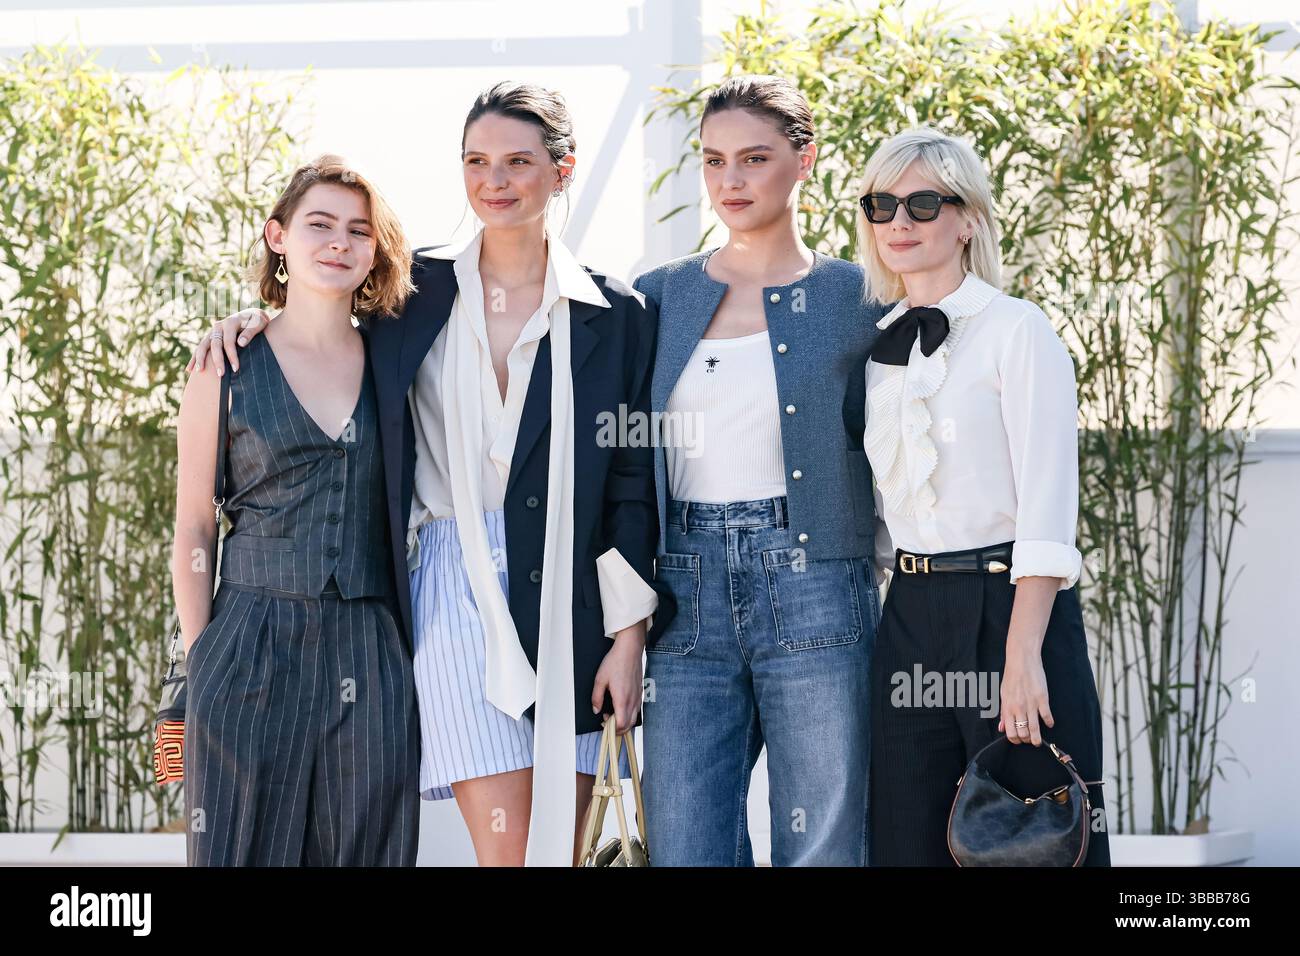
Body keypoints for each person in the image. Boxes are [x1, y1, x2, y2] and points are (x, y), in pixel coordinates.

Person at [190, 83, 658, 867]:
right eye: (476, 161)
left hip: (570, 594)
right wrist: (248, 321)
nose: (494, 181)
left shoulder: (617, 313)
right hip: (453, 586)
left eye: (517, 162)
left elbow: (631, 484)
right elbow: (315, 318)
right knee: (505, 854)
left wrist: (629, 636)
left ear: (563, 169)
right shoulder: (416, 296)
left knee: (566, 854)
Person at [632, 75, 886, 866]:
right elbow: (619, 467)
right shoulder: (657, 296)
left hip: (816, 580)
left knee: (824, 843)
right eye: (713, 161)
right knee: (683, 842)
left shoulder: (858, 293)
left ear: (804, 161)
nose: (730, 182)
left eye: (753, 158)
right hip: (683, 591)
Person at [857, 127, 1110, 865]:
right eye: (882, 205)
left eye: (924, 203)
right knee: (907, 841)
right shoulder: (876, 348)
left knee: (1032, 843)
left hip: (1011, 609)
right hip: (908, 616)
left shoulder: (1017, 331)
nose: (899, 222)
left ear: (968, 219)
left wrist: (1022, 656)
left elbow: (1047, 504)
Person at [173, 154, 419, 866]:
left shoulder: (399, 361)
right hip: (249, 637)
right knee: (239, 848)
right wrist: (203, 659)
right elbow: (193, 524)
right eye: (319, 224)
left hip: (369, 643)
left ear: (376, 251)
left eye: (358, 231)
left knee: (367, 847)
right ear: (278, 236)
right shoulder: (224, 365)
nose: (339, 242)